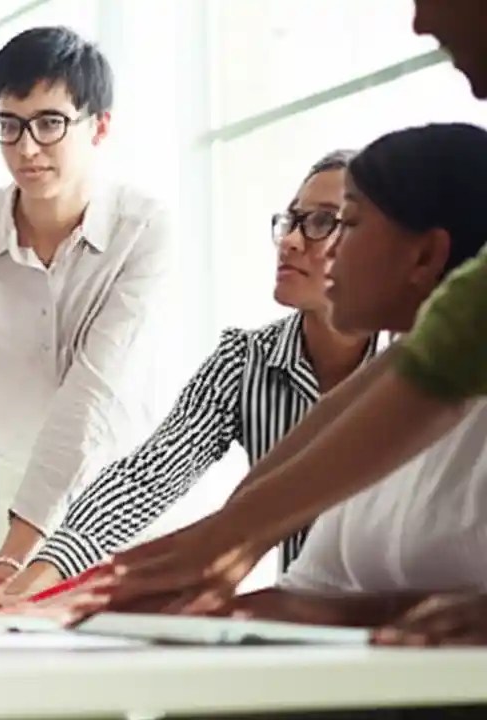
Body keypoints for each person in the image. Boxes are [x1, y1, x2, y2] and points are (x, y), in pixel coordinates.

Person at [86, 0, 487, 628]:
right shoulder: (303, 374)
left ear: (426, 255)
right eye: (296, 220)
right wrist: (209, 562)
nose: (419, 23)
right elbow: (150, 479)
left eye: (340, 223)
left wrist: (225, 542)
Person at [0, 150, 376, 607]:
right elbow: (144, 479)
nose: (292, 241)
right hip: (313, 639)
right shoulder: (245, 361)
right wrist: (29, 587)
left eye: (322, 222)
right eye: (292, 220)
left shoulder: (418, 365)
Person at [0, 25, 174, 614]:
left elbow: (92, 397)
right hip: (14, 492)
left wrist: (11, 562)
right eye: (10, 124)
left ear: (99, 126)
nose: (27, 148)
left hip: (120, 495)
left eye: (50, 123)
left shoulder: (143, 229)